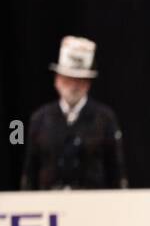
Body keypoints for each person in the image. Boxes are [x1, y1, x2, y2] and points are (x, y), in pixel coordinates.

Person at [21, 36, 127, 190]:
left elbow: (116, 171)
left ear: (88, 83)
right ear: (57, 80)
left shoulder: (105, 118)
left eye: (80, 80)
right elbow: (30, 171)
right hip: (49, 206)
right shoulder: (40, 118)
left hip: (93, 205)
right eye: (67, 78)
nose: (73, 85)